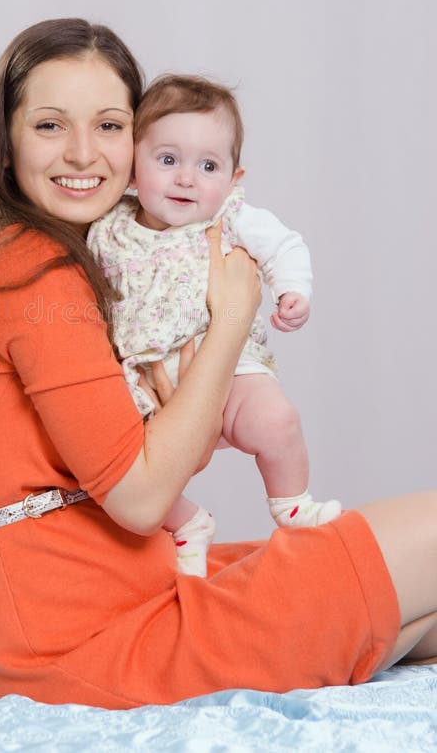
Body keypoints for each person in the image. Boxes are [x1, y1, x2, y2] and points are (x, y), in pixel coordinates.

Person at [0, 18, 437, 709]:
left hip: (104, 615)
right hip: (107, 646)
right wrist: (232, 315)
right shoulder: (28, 271)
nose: (83, 154)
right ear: (5, 140)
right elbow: (141, 499)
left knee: (403, 605)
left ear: (136, 141)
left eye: (109, 126)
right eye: (50, 125)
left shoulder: (7, 256)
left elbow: (127, 467)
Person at [87, 75, 341, 576]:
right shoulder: (107, 227)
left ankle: (290, 502)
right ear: (133, 170)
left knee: (277, 420)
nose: (187, 179)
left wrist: (294, 290)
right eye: (167, 160)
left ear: (232, 178)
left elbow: (284, 246)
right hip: (146, 381)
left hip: (231, 367)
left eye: (208, 166)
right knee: (116, 467)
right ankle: (188, 523)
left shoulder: (229, 216)